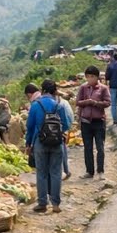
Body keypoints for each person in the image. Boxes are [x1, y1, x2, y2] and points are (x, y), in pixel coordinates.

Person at [25, 79, 73, 214]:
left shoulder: (36, 105)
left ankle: (42, 203)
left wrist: (28, 144)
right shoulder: (59, 105)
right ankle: (56, 204)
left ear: (43, 90)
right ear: (54, 91)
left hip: (40, 142)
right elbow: (66, 124)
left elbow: (29, 127)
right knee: (56, 172)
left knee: (41, 173)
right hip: (57, 142)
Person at [76, 66, 111, 179]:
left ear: (97, 77)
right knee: (88, 147)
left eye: (92, 77)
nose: (90, 79)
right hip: (86, 121)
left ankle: (100, 171)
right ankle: (89, 171)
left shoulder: (103, 88)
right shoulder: (83, 88)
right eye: (88, 77)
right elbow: (78, 102)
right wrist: (87, 102)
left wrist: (95, 103)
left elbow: (107, 102)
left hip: (99, 121)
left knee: (100, 147)